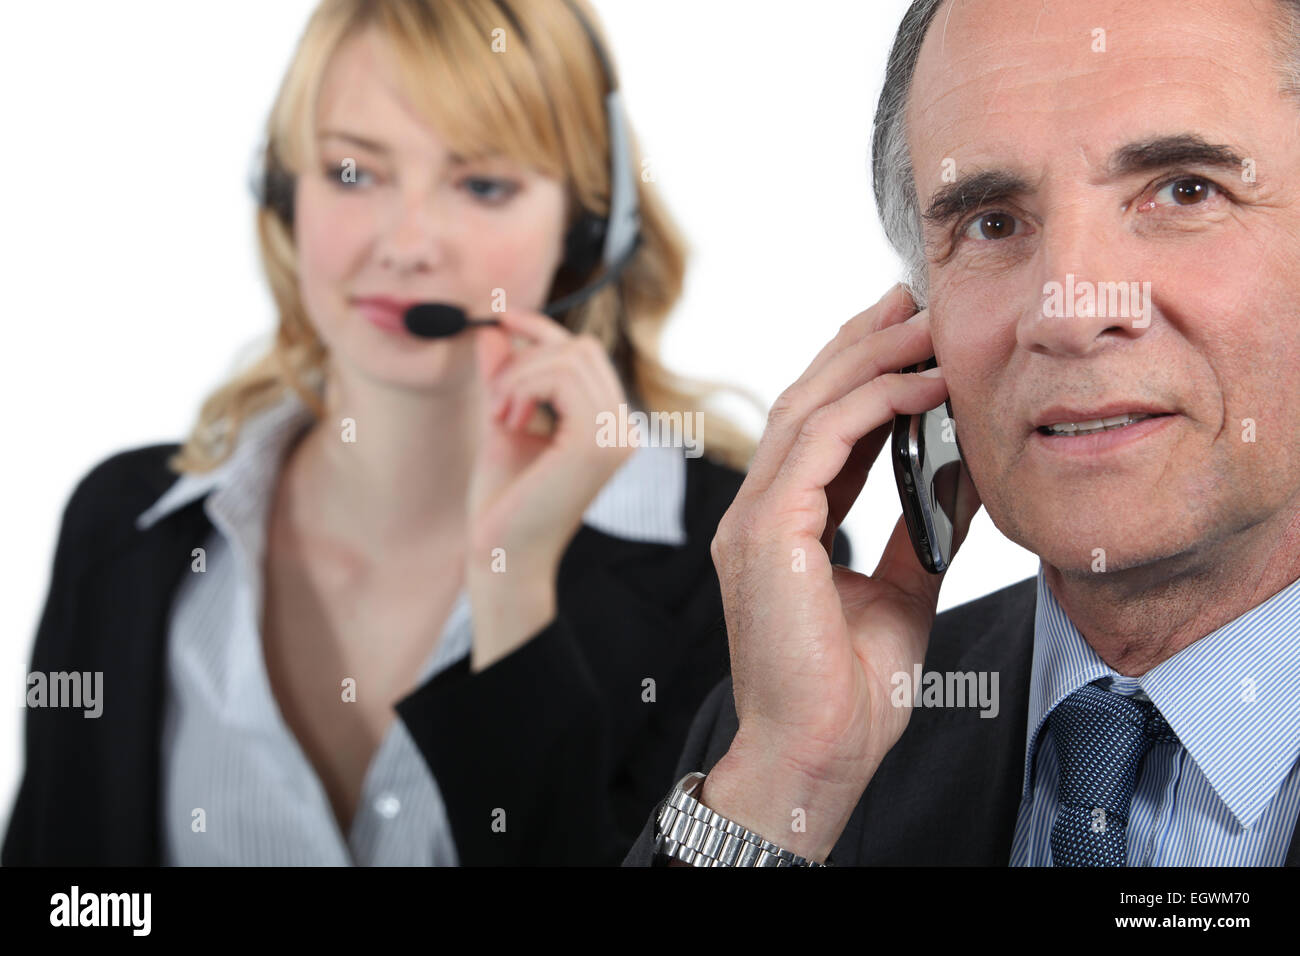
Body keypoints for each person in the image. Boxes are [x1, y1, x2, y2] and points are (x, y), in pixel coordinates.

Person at [2, 0, 847, 866]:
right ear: (282, 191)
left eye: (483, 184)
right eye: (352, 172)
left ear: (591, 228)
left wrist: (512, 590)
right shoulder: (128, 526)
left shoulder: (747, 554)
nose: (406, 246)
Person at [629, 0, 1300, 866]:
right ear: (918, 325)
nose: (1068, 311)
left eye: (1185, 191)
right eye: (993, 223)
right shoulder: (783, 731)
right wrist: (787, 782)